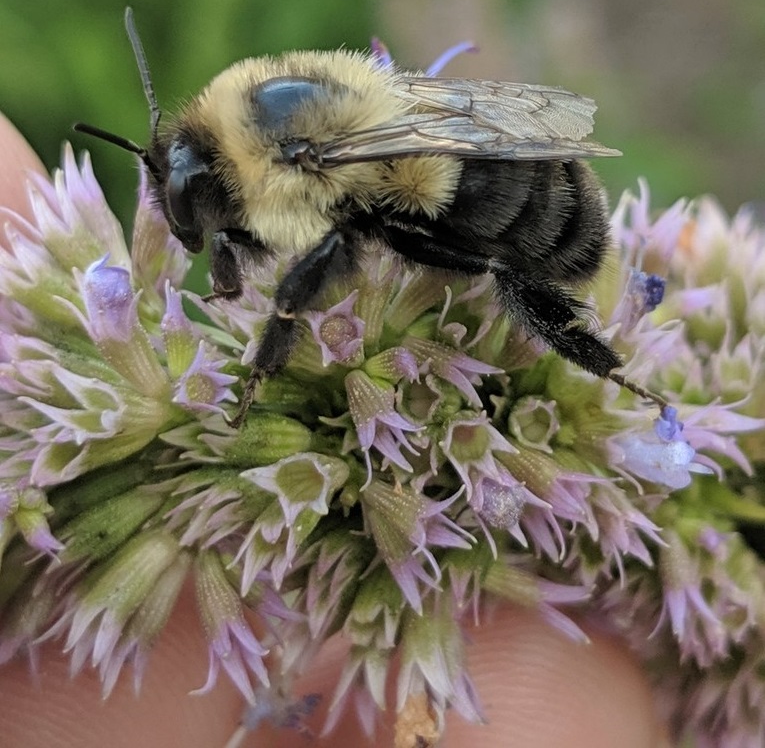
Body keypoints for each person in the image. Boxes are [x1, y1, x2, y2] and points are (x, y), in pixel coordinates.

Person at [0, 113, 669, 747]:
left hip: (503, 214)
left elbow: (321, 256)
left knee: (478, 263)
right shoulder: (293, 150)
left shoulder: (300, 166)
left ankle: (616, 375)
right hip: (481, 188)